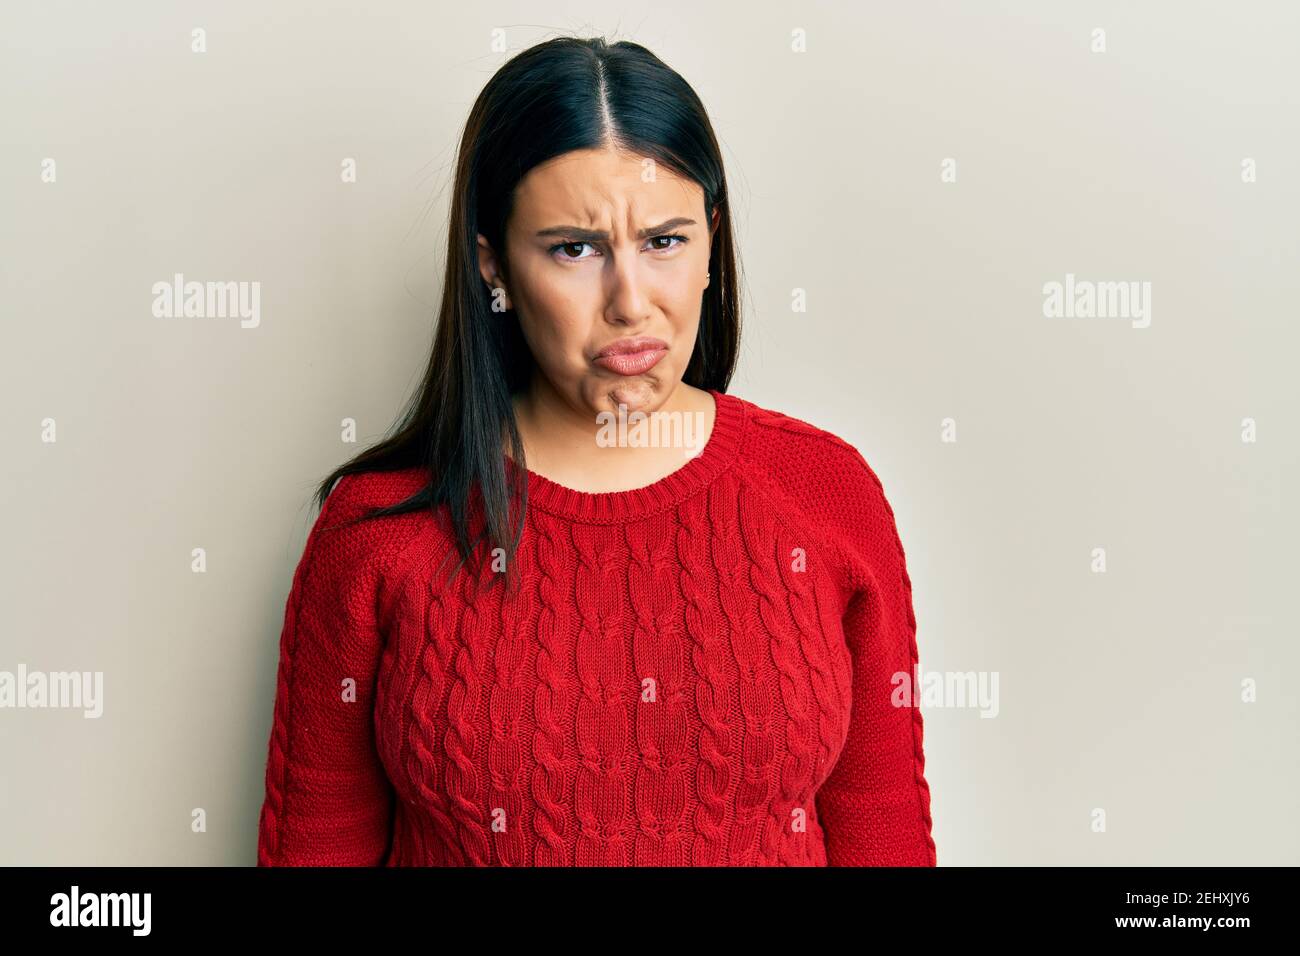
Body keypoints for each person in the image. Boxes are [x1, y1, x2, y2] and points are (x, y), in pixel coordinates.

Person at [256, 35, 936, 867]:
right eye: (574, 248)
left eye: (664, 241)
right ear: (492, 264)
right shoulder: (377, 535)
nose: (630, 302)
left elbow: (884, 833)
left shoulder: (826, 495)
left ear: (712, 245)